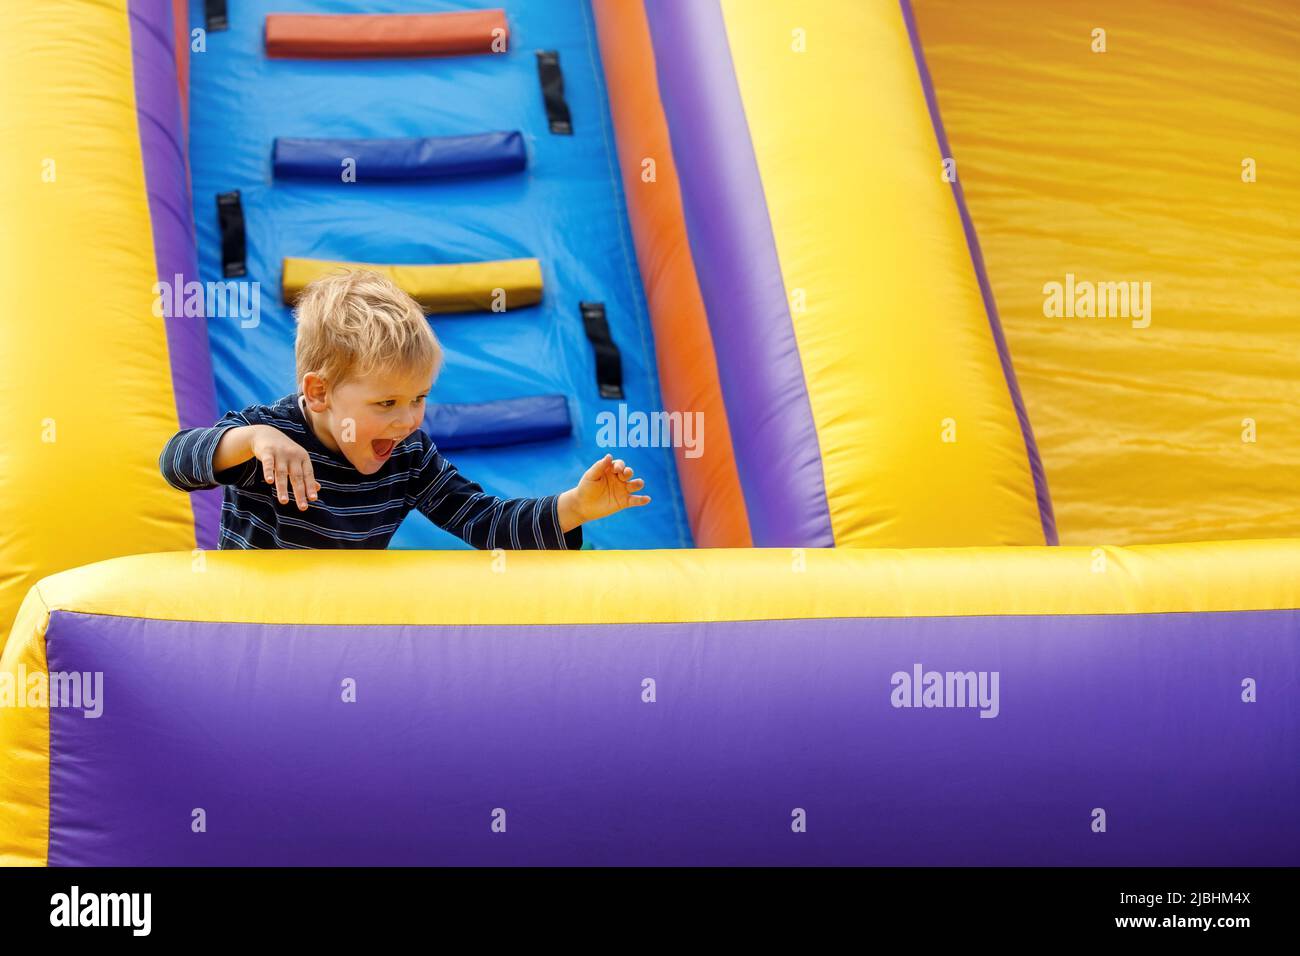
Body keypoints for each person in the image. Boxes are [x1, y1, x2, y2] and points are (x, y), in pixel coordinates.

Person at [159, 269, 649, 549]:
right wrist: (249, 442)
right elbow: (176, 462)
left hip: (341, 634)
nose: (407, 419)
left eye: (419, 399)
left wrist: (573, 508)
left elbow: (484, 521)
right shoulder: (271, 439)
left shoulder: (407, 456)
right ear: (320, 393)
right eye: (386, 403)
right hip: (252, 633)